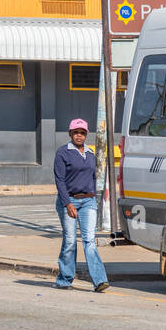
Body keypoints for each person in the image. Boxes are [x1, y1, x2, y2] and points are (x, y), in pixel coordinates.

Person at [53, 118, 110, 293]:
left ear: (86, 135)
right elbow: (60, 181)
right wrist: (68, 203)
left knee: (89, 241)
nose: (79, 135)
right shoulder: (63, 153)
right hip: (68, 201)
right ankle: (65, 279)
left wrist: (94, 198)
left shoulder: (91, 153)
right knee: (70, 241)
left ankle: (100, 280)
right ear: (70, 134)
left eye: (83, 133)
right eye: (76, 132)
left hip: (88, 201)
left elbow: (93, 177)